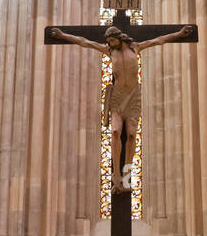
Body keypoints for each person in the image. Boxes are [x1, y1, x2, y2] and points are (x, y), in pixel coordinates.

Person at [48, 23, 193, 193]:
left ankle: (127, 177)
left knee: (131, 135)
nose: (110, 43)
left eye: (112, 40)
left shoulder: (135, 48)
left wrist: (180, 34)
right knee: (115, 132)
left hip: (133, 98)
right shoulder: (109, 51)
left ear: (119, 37)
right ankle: (116, 177)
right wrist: (62, 35)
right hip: (117, 98)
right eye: (108, 41)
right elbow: (84, 42)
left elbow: (159, 40)